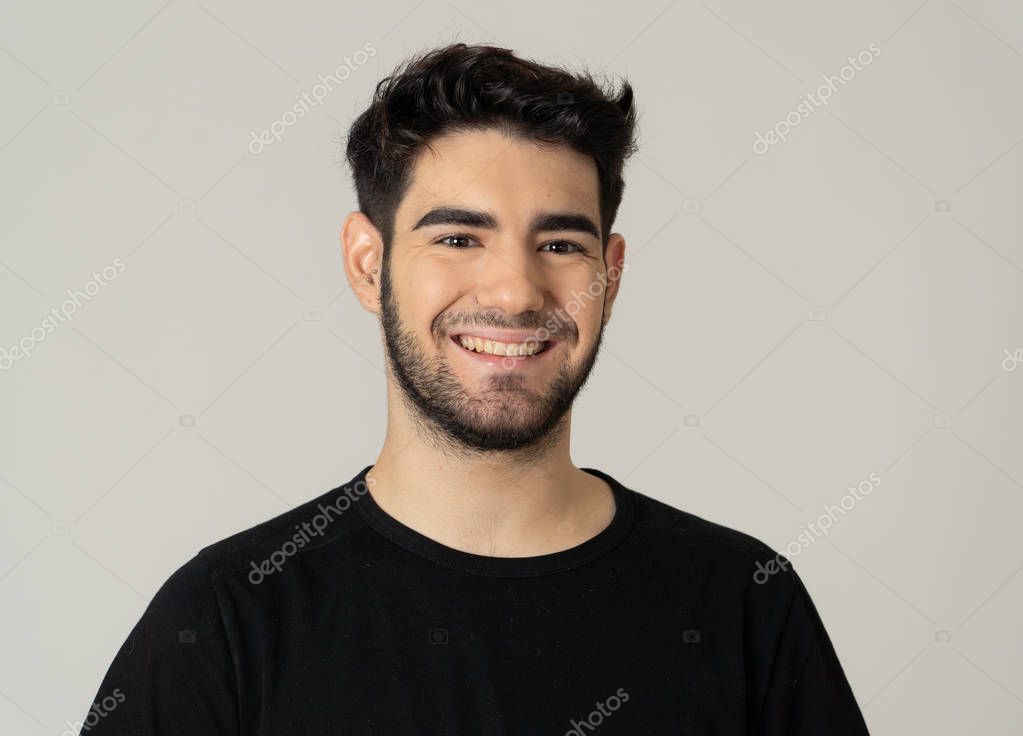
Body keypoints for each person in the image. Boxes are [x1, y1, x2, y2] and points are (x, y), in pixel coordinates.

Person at [81, 42, 870, 734]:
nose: (517, 291)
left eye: (560, 243)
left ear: (611, 274)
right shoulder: (227, 618)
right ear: (367, 263)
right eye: (458, 237)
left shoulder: (740, 602)